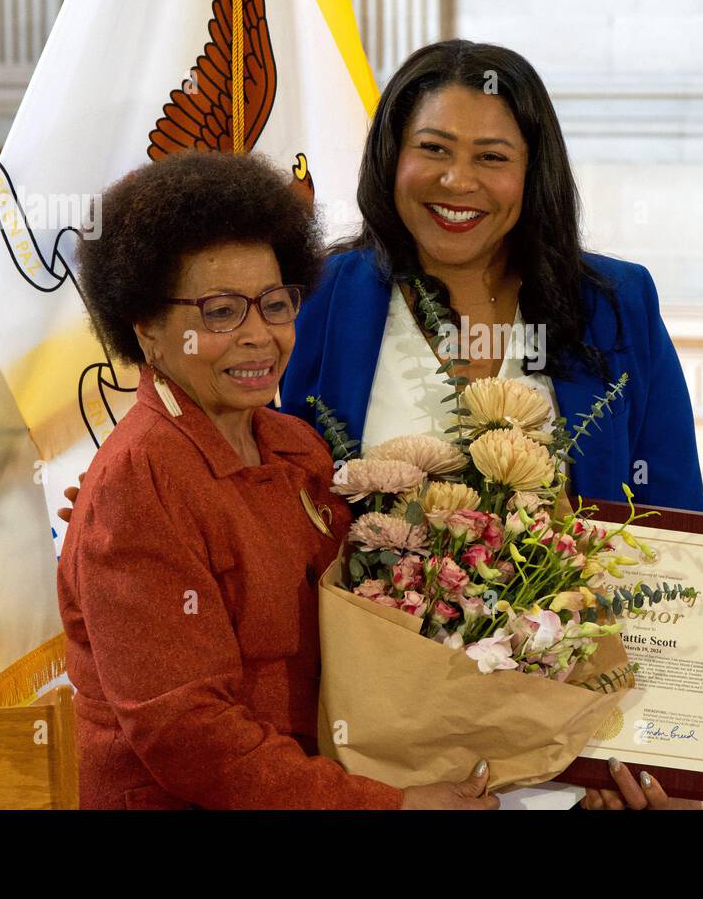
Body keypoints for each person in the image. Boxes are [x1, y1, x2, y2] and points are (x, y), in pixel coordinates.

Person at [279, 39, 703, 809]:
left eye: (491, 157)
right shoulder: (317, 300)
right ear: (390, 159)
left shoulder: (615, 304)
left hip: (575, 768)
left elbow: (674, 534)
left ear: (531, 173)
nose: (458, 182)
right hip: (379, 772)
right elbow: (276, 515)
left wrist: (650, 758)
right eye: (433, 150)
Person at [57, 149, 496, 809]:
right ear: (146, 328)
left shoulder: (293, 445)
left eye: (273, 303)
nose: (259, 336)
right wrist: (394, 806)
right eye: (220, 311)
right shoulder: (137, 486)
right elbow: (195, 742)